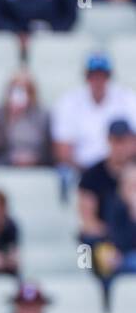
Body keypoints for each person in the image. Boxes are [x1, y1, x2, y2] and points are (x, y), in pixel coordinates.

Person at [50, 54, 136, 172]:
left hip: (120, 168)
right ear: (86, 78)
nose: (98, 80)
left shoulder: (127, 99)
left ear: (109, 77)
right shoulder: (69, 102)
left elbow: (132, 142)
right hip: (81, 169)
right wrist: (89, 174)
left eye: (102, 76)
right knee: (65, 173)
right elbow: (63, 148)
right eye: (93, 76)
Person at [79, 119, 136, 247]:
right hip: (105, 240)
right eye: (117, 141)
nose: (122, 147)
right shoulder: (93, 175)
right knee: (86, 244)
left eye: (126, 141)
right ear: (109, 141)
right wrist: (114, 237)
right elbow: (88, 220)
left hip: (132, 238)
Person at [0, 71, 51, 167]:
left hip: (38, 165)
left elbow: (48, 149)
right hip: (6, 164)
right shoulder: (0, 114)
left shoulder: (42, 115)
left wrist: (34, 159)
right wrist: (11, 118)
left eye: (24, 90)